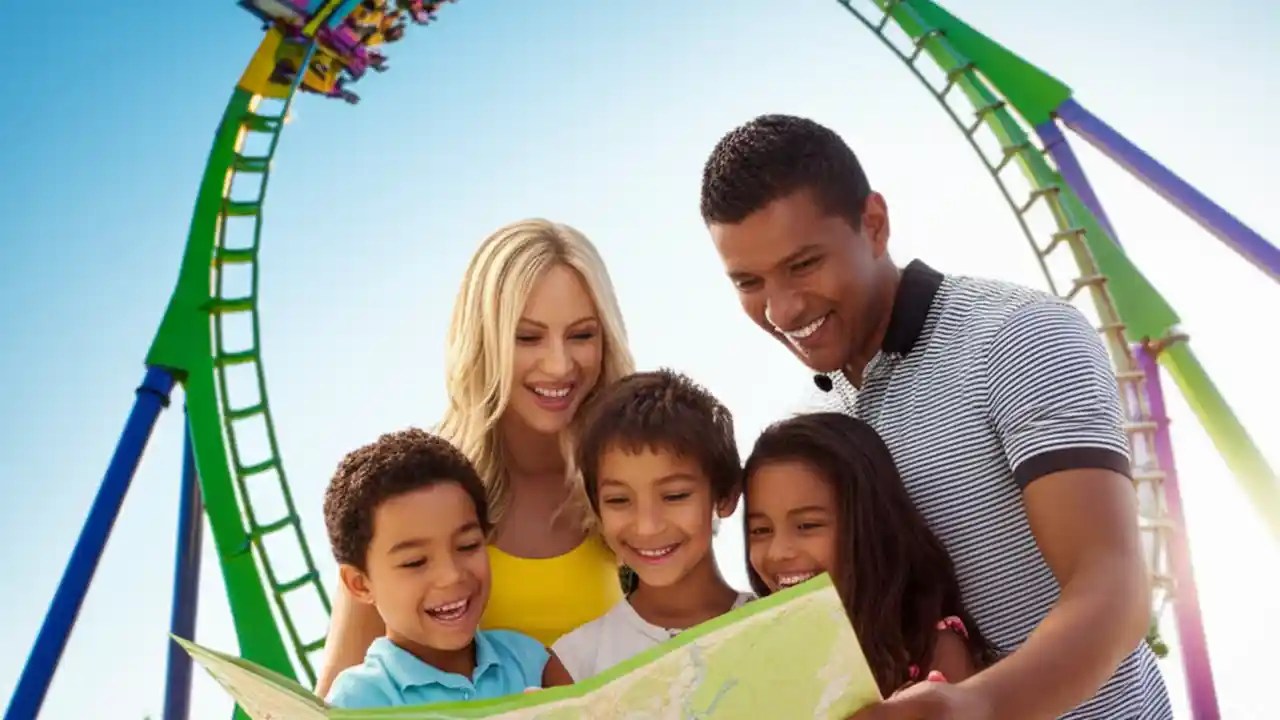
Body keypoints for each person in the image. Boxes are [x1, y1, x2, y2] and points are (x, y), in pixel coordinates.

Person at [699, 114, 1172, 719]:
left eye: (803, 265)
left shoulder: (1018, 336)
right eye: (748, 282)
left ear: (873, 224)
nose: (782, 309)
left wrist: (974, 708)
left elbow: (1112, 589)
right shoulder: (810, 423)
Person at [315, 219, 636, 697]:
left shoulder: (627, 486)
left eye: (581, 335)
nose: (559, 364)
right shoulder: (419, 498)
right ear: (484, 342)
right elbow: (327, 708)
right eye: (527, 338)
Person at [743, 412, 999, 698]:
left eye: (807, 526)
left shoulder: (935, 652)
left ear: (872, 526)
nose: (778, 552)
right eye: (761, 530)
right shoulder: (763, 657)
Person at [321, 428, 573, 708]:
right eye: (415, 562)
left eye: (467, 546)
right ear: (360, 583)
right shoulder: (358, 701)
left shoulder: (531, 661)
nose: (451, 575)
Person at [552, 369, 752, 681]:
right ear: (597, 509)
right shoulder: (576, 664)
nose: (646, 526)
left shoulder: (784, 626)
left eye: (674, 496)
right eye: (619, 500)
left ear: (725, 496)